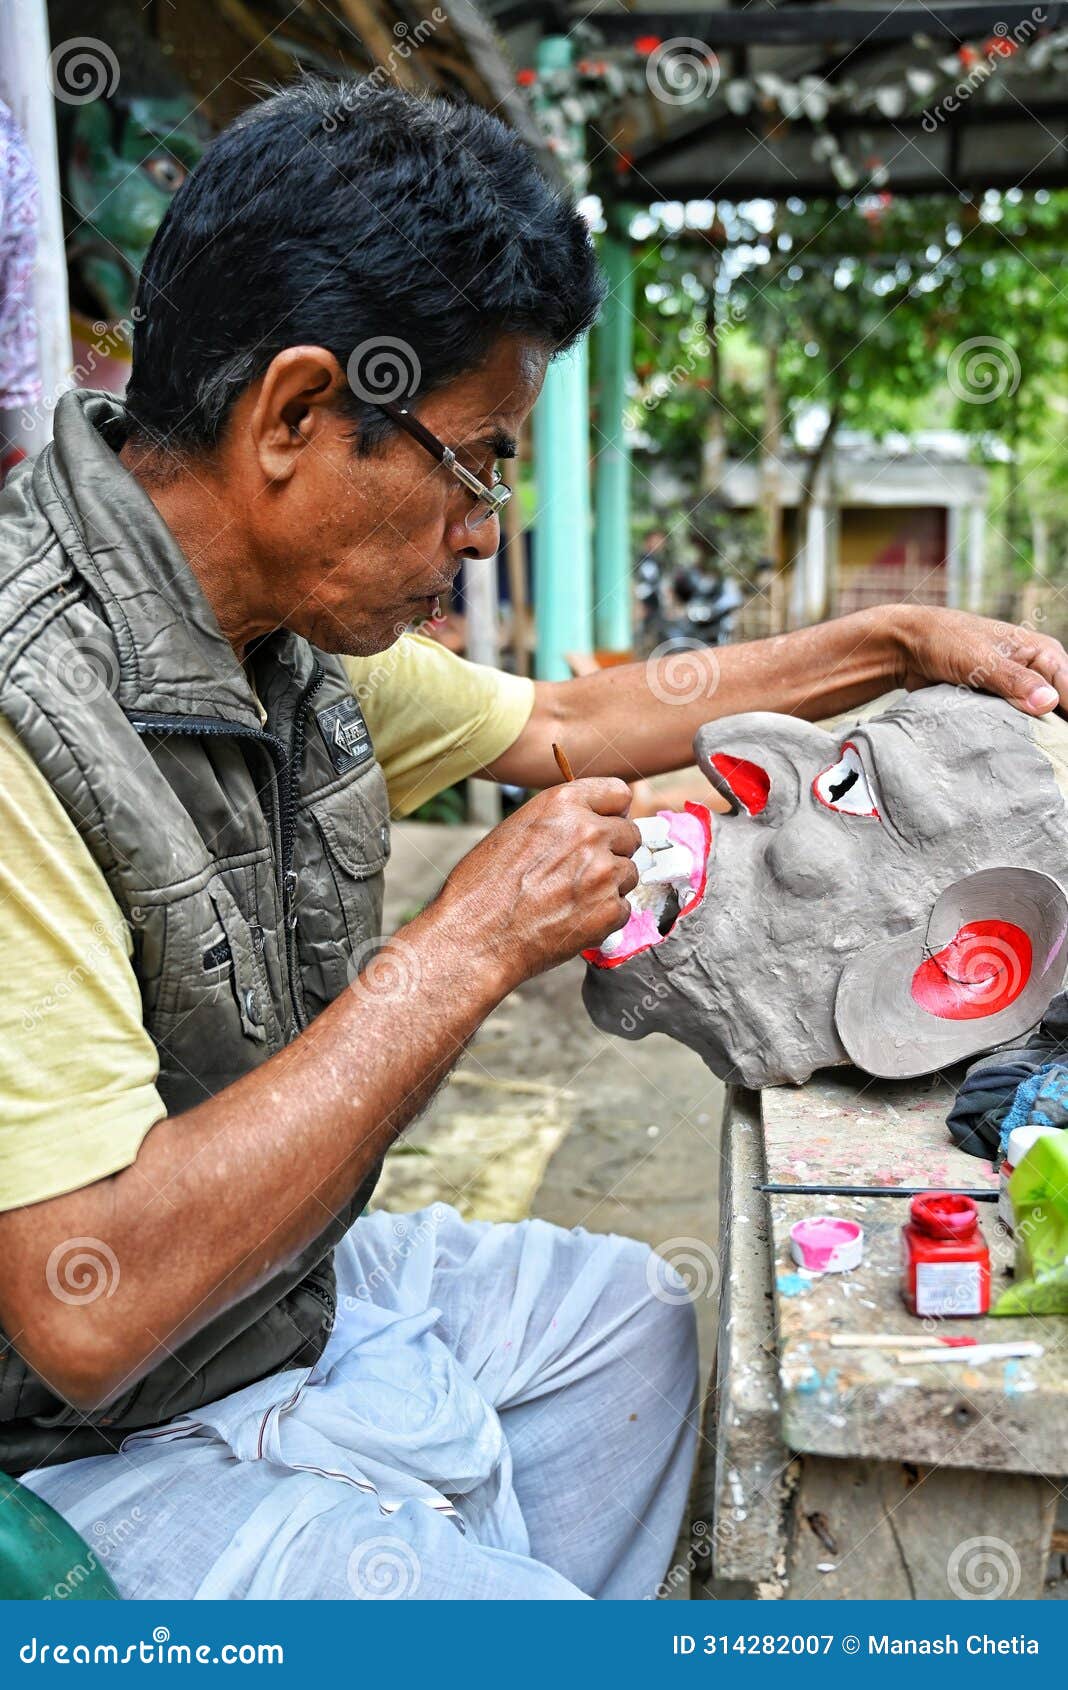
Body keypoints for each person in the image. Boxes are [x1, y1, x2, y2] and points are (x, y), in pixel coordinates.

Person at [1, 80, 1065, 1602]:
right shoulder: (24, 704)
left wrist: (892, 640)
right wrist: (469, 945)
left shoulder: (278, 628)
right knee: (509, 1623)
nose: (488, 530)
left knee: (635, 1321)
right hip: (68, 1441)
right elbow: (82, 1310)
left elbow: (578, 727)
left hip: (265, 1306)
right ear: (298, 414)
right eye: (478, 458)